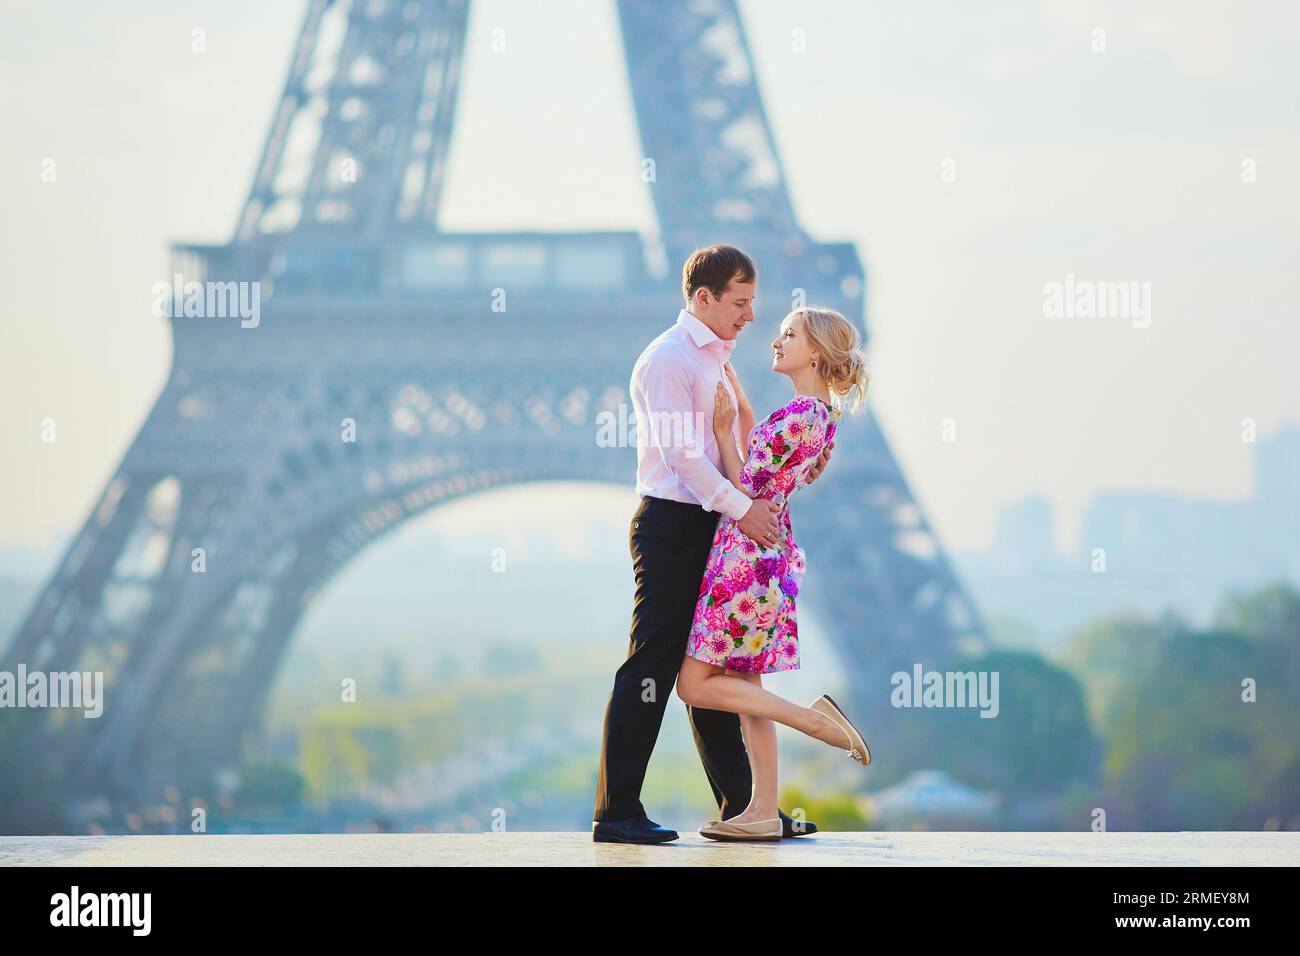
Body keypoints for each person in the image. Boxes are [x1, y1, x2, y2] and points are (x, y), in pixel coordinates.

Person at [591, 245, 833, 844]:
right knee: (650, 663)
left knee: (717, 666)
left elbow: (745, 454)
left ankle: (748, 809)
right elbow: (680, 458)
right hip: (675, 523)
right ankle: (617, 811)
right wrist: (744, 507)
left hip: (716, 523)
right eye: (741, 302)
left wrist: (743, 502)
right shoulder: (668, 360)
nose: (751, 317)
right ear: (704, 298)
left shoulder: (717, 361)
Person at [676, 305, 872, 842]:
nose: (775, 341)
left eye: (789, 334)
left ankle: (813, 721)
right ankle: (764, 809)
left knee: (694, 684)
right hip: (766, 560)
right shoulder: (817, 416)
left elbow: (743, 488)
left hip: (741, 558)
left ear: (816, 351)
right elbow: (765, 470)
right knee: (745, 682)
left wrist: (720, 430)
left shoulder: (796, 418)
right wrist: (740, 407)